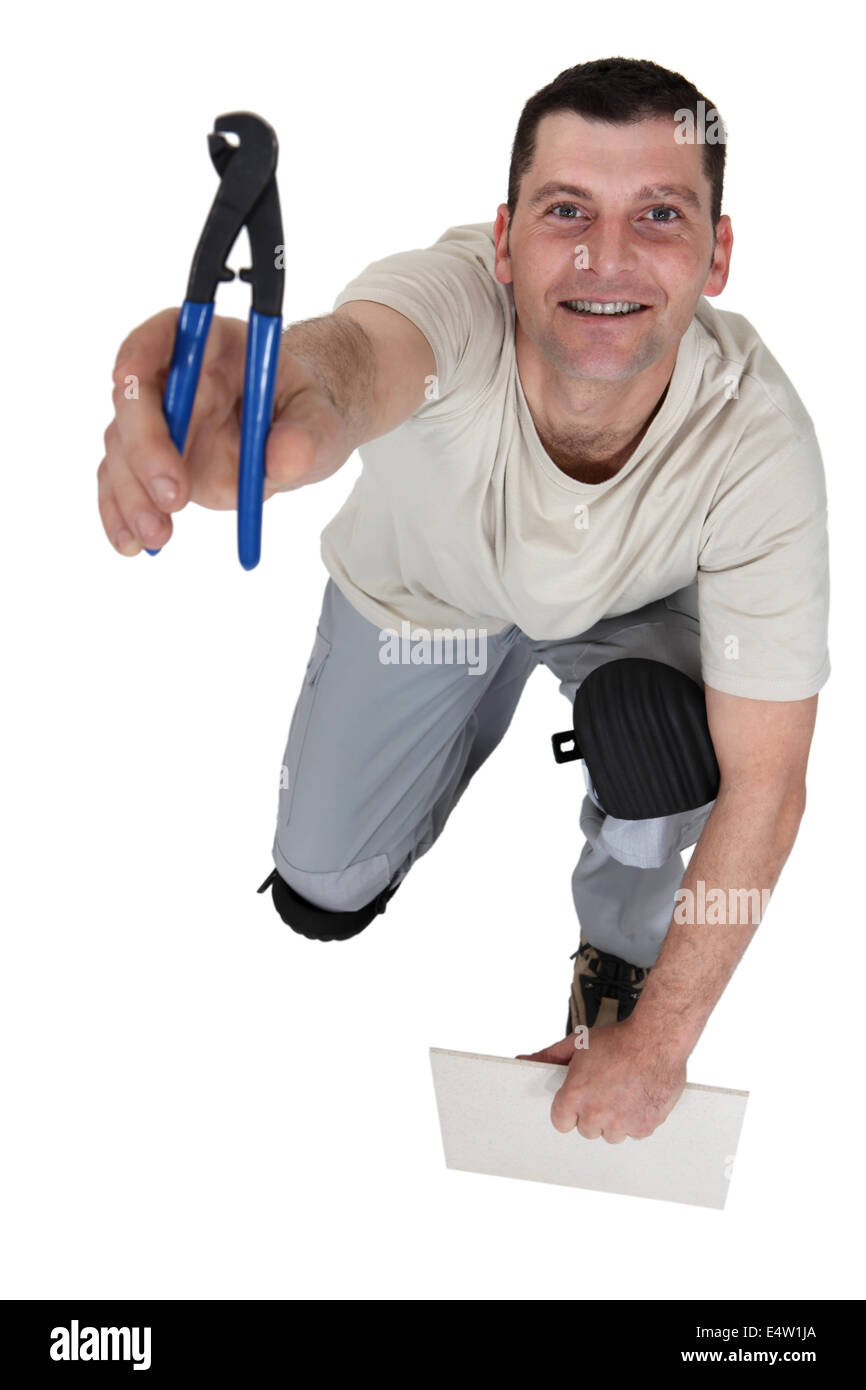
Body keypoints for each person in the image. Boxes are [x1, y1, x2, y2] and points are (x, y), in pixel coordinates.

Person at [98, 58, 829, 1145]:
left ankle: (612, 964)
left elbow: (766, 789)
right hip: (422, 600)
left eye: (660, 214)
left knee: (657, 726)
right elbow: (355, 358)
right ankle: (425, 762)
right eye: (565, 210)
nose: (603, 257)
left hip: (622, 622)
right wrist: (282, 393)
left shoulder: (756, 439)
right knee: (319, 895)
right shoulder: (449, 303)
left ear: (718, 253)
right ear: (501, 240)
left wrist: (657, 1043)